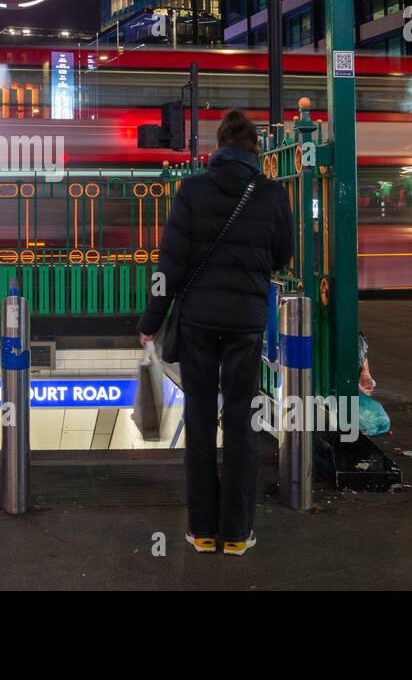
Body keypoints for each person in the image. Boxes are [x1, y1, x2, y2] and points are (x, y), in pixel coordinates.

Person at [137, 110, 294, 556]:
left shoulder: (193, 190)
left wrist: (151, 321)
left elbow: (170, 266)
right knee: (243, 424)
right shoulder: (272, 194)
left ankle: (202, 531)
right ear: (255, 151)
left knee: (201, 424)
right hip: (246, 322)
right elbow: (283, 255)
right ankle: (237, 534)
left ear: (218, 147)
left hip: (199, 323)